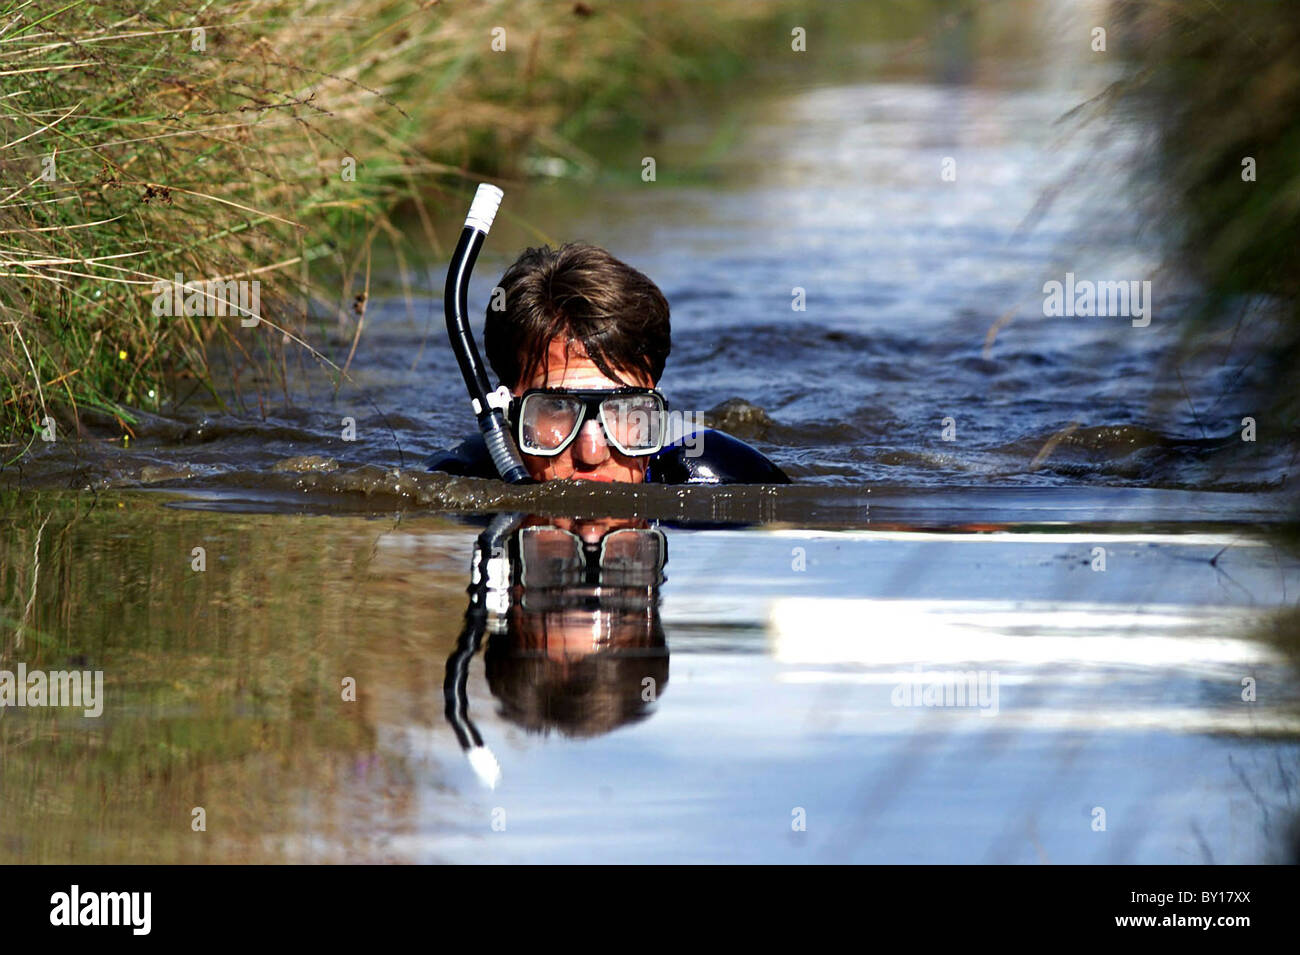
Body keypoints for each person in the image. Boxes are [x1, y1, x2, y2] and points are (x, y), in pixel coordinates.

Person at [427, 243, 789, 484]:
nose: (592, 452)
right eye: (556, 408)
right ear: (506, 415)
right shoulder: (463, 478)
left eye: (626, 411)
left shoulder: (722, 475)